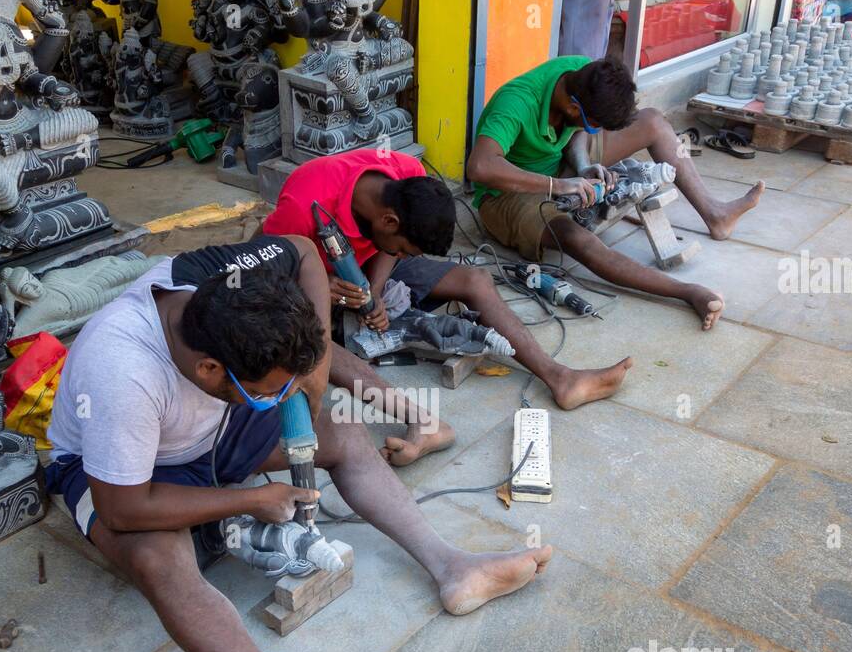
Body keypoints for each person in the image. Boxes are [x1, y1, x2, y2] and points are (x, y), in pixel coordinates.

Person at [44, 233, 552, 652]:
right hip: (119, 473)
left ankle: (452, 567)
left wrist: (311, 378)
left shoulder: (213, 276)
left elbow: (305, 252)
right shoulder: (123, 372)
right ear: (210, 369)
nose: (284, 398)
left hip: (210, 428)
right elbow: (123, 509)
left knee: (340, 434)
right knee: (159, 560)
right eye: (270, 391)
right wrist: (242, 503)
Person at [262, 149, 636, 440]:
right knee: (319, 343)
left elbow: (392, 250)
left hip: (374, 259)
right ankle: (418, 420)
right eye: (407, 249)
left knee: (475, 280)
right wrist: (320, 287)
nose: (405, 254)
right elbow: (260, 274)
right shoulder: (303, 204)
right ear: (389, 221)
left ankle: (560, 377)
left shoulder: (407, 171)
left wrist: (374, 292)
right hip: (316, 281)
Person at [465, 57, 762, 332]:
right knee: (578, 240)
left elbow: (581, 131)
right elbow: (480, 166)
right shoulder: (516, 102)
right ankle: (688, 292)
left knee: (653, 121)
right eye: (596, 124)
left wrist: (582, 165)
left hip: (558, 165)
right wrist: (556, 186)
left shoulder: (583, 73)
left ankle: (715, 214)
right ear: (572, 106)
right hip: (506, 194)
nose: (598, 130)